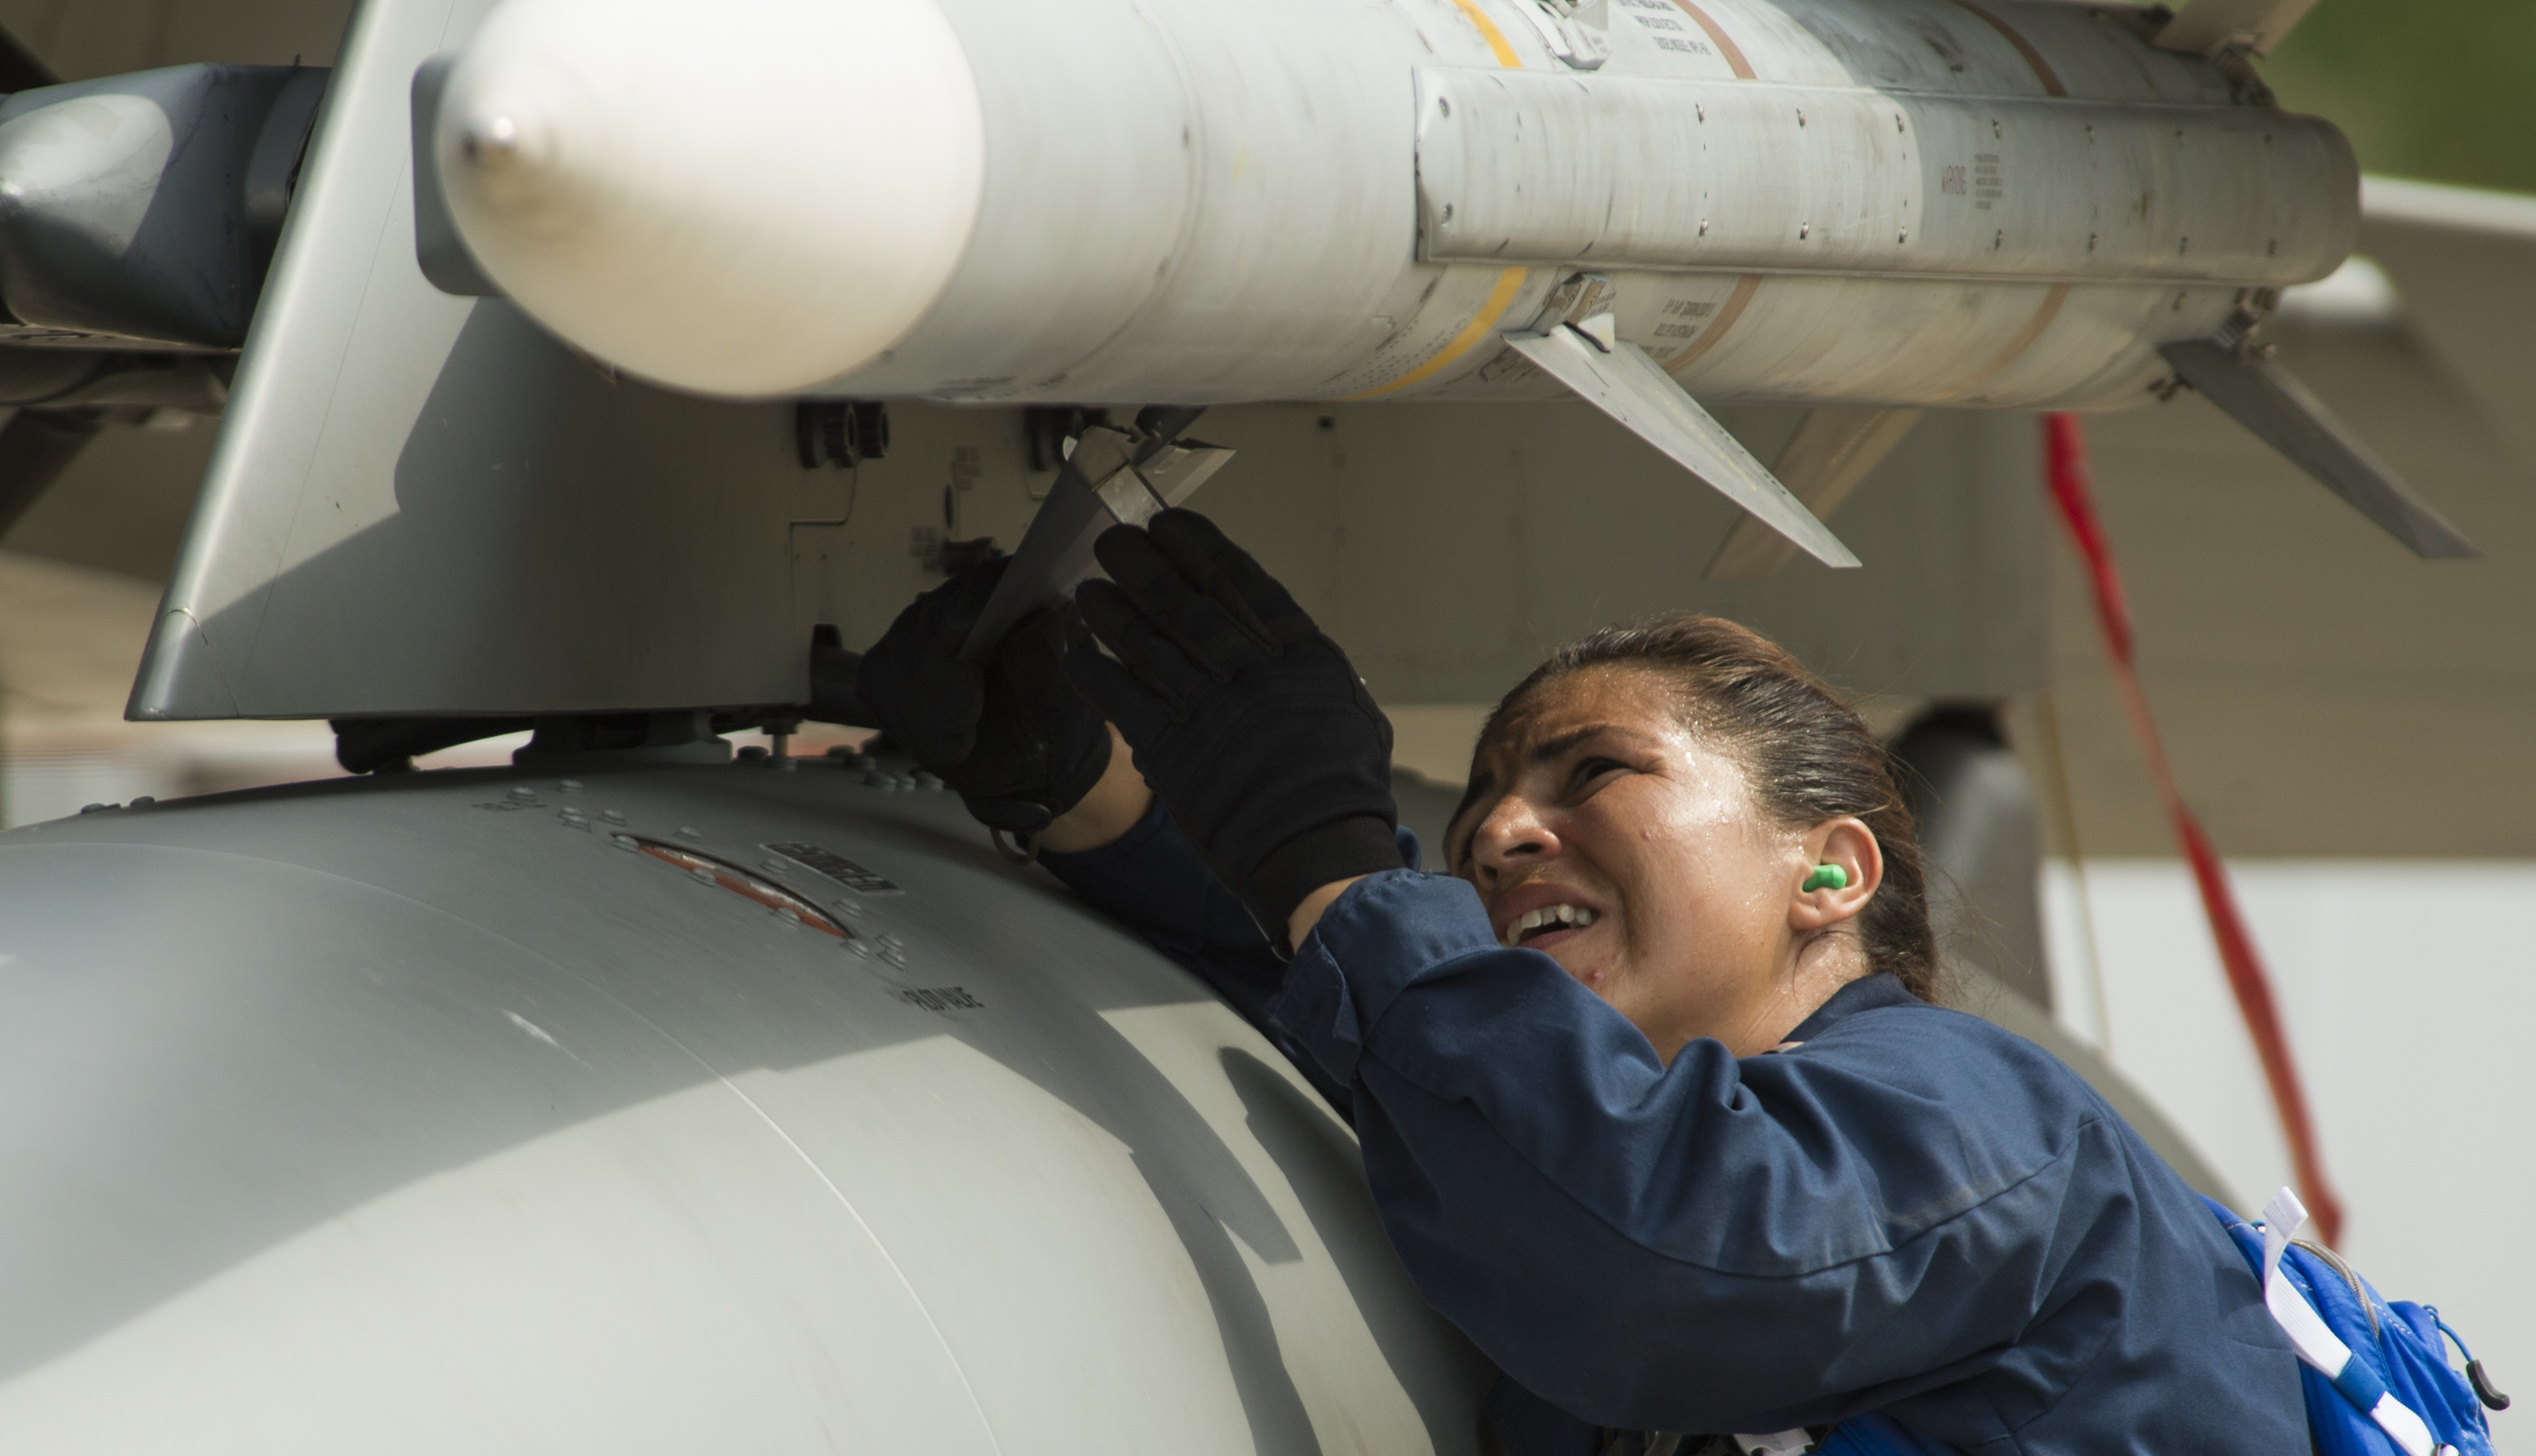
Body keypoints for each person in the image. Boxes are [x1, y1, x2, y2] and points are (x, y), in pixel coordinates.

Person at [857, 510, 2308, 1456]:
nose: (1495, 831)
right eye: (1481, 806)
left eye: (1593, 771)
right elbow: (1440, 1060)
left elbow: (1676, 1256)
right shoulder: (1583, 1155)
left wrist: (1328, 861)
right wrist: (1091, 797)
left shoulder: (1977, 1119)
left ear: (1829, 871)